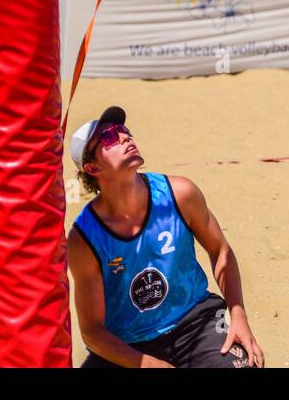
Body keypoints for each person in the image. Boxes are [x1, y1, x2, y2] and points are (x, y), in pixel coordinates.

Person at [66, 107, 264, 368]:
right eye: (110, 137)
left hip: (195, 324)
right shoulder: (84, 237)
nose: (125, 137)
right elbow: (91, 330)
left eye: (125, 131)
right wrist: (147, 364)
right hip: (128, 344)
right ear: (92, 167)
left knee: (248, 364)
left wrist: (238, 316)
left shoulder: (180, 193)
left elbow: (221, 251)